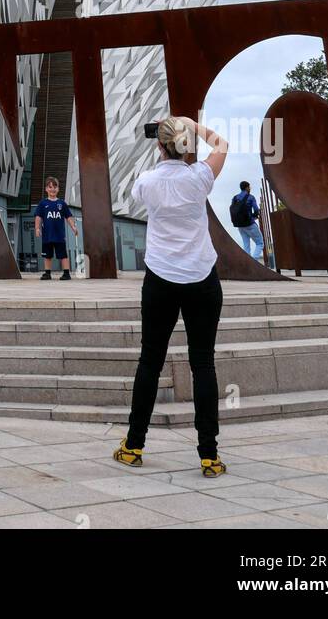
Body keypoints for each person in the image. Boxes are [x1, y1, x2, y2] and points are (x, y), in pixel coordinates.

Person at [113, 115, 228, 478]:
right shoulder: (199, 178)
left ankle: (133, 446)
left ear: (159, 145)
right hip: (202, 278)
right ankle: (209, 456)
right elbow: (222, 146)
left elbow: (140, 192)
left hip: (160, 278)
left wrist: (170, 142)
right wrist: (194, 124)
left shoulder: (146, 181)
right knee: (203, 364)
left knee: (150, 361)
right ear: (188, 144)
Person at [33, 177, 79, 281]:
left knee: (63, 255)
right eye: (50, 187)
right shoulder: (43, 204)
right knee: (47, 255)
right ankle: (47, 273)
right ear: (46, 189)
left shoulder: (62, 204)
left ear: (58, 189)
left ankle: (66, 273)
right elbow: (38, 217)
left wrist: (73, 227)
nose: (52, 189)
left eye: (55, 187)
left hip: (59, 236)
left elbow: (68, 217)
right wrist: (37, 228)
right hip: (47, 235)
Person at [230, 180, 265, 262]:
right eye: (249, 187)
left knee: (246, 245)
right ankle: (254, 262)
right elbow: (256, 209)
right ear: (246, 187)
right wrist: (255, 216)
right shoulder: (251, 197)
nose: (250, 188)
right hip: (250, 224)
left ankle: (247, 263)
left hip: (239, 225)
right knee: (260, 243)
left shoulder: (235, 198)